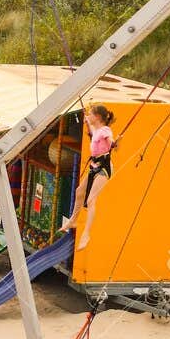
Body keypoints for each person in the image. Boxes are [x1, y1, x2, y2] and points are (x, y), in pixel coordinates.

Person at [61, 104, 115, 250]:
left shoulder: (105, 130)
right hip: (94, 167)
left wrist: (113, 143)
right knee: (79, 192)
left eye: (90, 115)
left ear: (97, 117)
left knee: (91, 200)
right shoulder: (97, 130)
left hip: (104, 169)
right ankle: (73, 220)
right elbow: (94, 132)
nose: (88, 117)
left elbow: (109, 140)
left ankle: (86, 234)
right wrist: (87, 120)